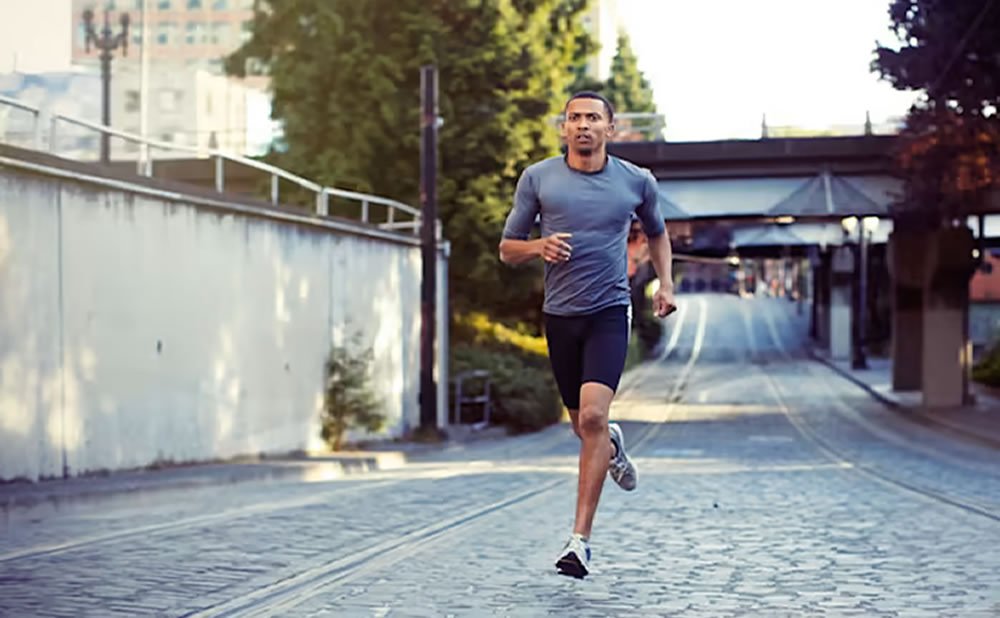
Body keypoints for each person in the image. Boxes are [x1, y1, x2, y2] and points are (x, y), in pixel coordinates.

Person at [498, 91, 676, 579]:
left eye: (593, 118)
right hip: (560, 317)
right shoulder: (538, 179)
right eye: (574, 118)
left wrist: (666, 282)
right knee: (584, 427)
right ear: (563, 129)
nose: (582, 125)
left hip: (608, 311)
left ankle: (579, 541)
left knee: (594, 416)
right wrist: (538, 245)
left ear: (609, 129)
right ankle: (612, 446)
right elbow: (507, 249)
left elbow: (658, 232)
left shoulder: (636, 181)